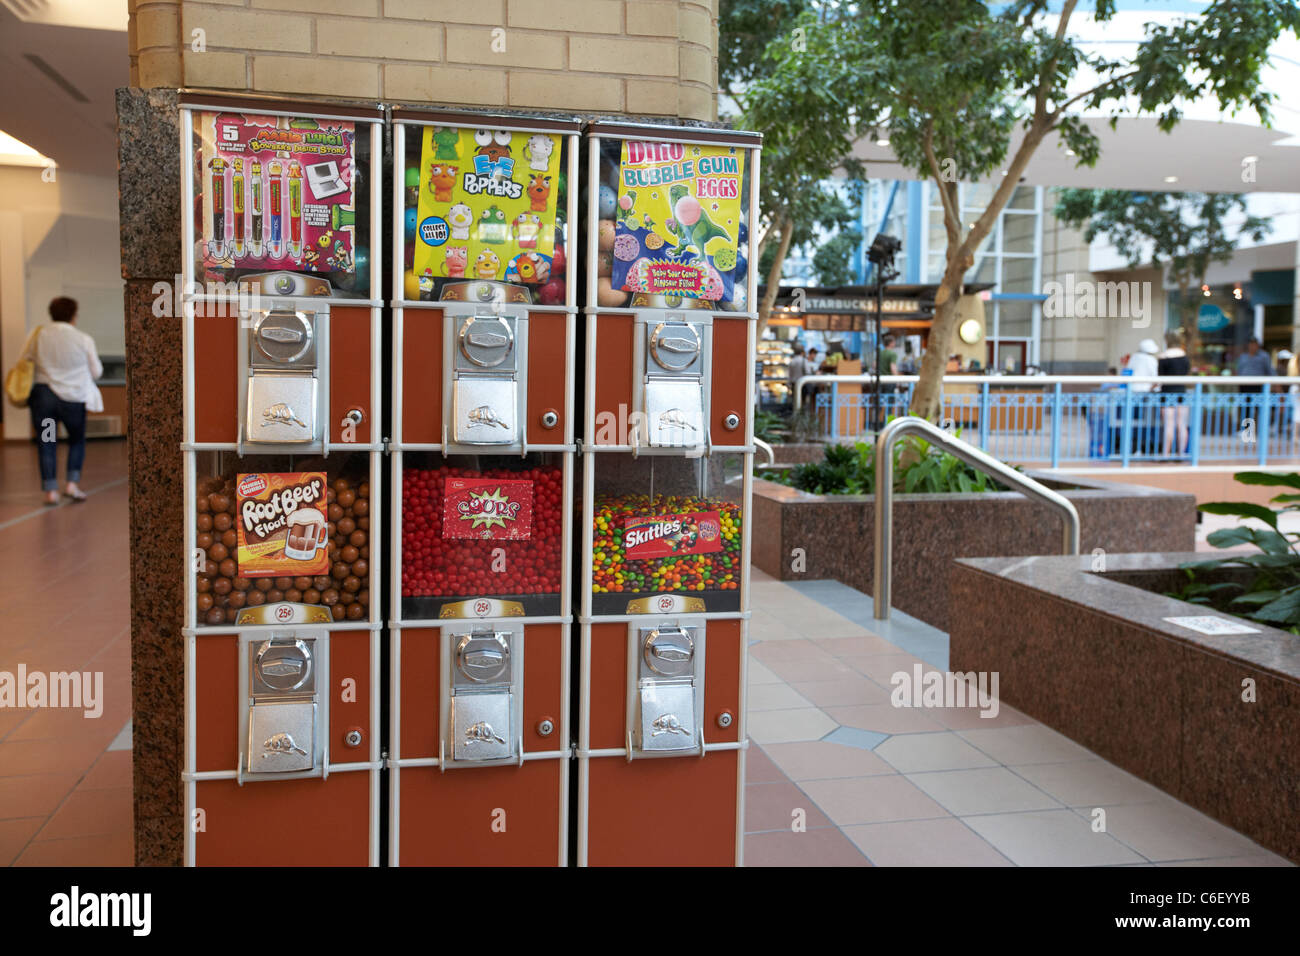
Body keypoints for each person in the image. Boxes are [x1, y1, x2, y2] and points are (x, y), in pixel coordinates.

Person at [18, 297, 102, 505]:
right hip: (73, 400)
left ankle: (51, 491)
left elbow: (24, 360)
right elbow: (97, 372)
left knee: (47, 442)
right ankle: (72, 485)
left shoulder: (38, 336)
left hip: (45, 399)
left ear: (51, 313)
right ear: (74, 315)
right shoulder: (83, 339)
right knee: (76, 440)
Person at [1157, 329, 1191, 460]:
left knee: (1169, 425)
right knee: (1181, 425)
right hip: (1181, 392)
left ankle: (1166, 454)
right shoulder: (1184, 356)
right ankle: (1181, 454)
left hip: (1167, 392)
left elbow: (1160, 377)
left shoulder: (1163, 356)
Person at [1125, 339, 1160, 455]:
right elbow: (1156, 378)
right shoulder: (1151, 360)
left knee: (1134, 422)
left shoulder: (1134, 358)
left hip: (1132, 393)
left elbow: (1127, 373)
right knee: (1146, 422)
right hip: (1146, 394)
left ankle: (1133, 447)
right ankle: (1144, 447)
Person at [1235, 336, 1274, 432]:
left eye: (1254, 344)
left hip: (1258, 385)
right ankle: (1246, 430)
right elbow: (1239, 370)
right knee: (1245, 408)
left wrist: (1274, 384)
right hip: (1244, 385)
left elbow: (1269, 370)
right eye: (1250, 344)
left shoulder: (1264, 356)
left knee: (1261, 408)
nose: (1252, 346)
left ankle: (1265, 428)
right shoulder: (1243, 356)